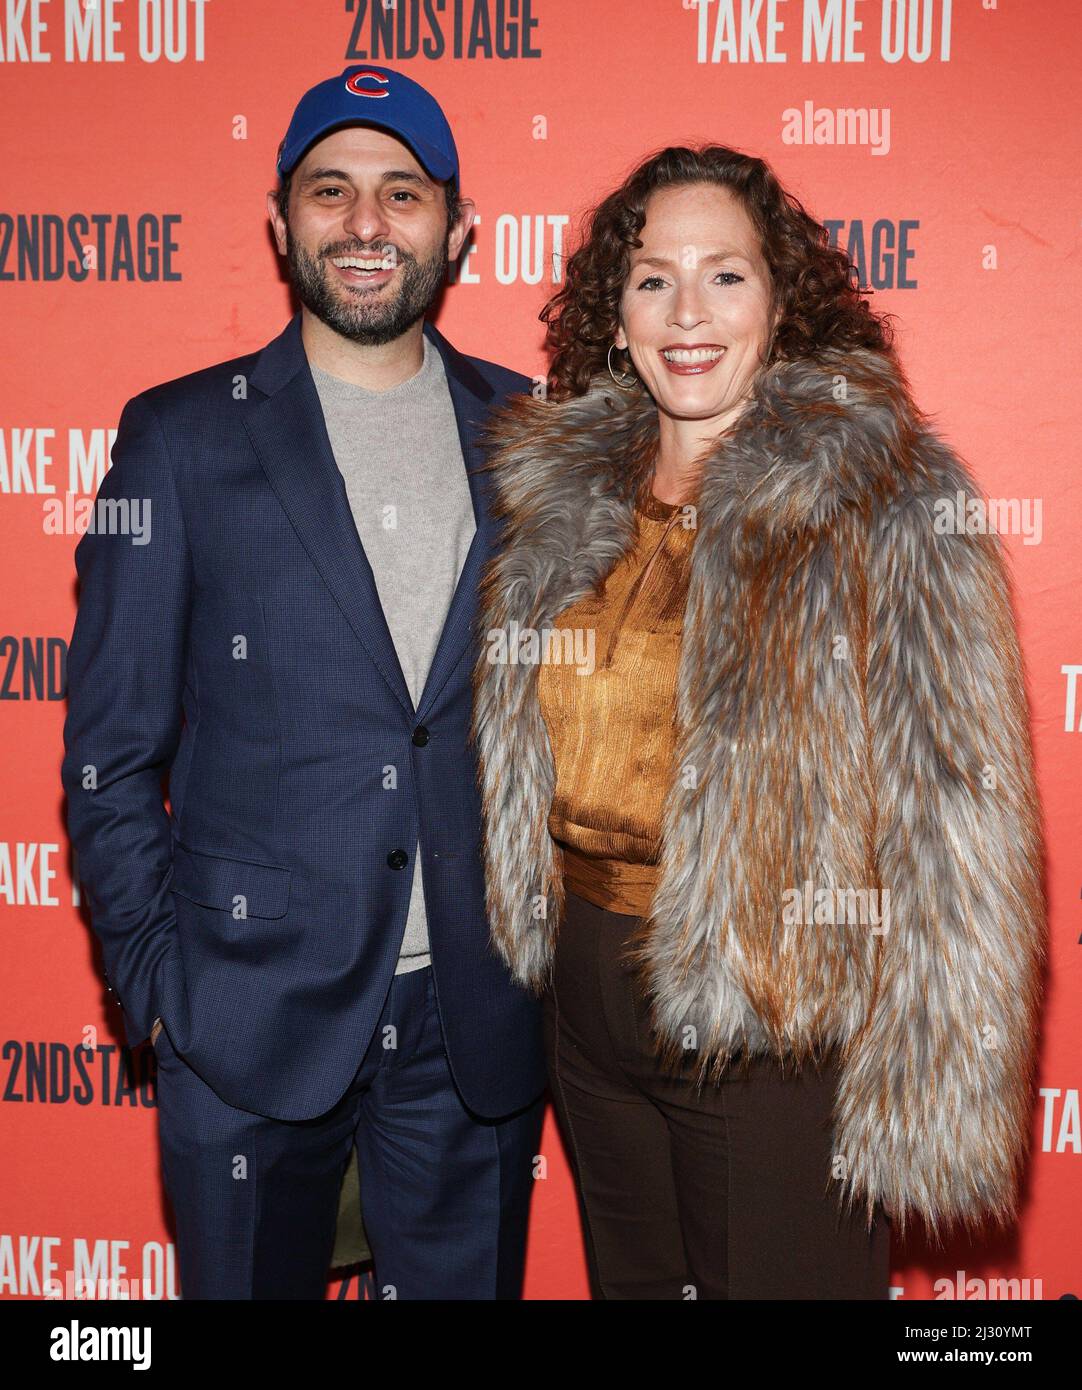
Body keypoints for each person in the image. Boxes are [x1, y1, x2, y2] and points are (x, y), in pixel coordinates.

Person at [471, 144, 1045, 1299]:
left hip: (775, 1018)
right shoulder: (556, 504)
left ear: (779, 303)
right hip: (582, 997)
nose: (687, 311)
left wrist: (933, 1086)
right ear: (615, 313)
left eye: (723, 275)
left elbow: (961, 816)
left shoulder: (889, 496)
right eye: (651, 278)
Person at [61, 64, 545, 1300]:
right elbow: (111, 754)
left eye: (403, 192)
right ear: (281, 223)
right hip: (247, 1017)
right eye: (331, 191)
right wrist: (163, 991)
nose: (368, 224)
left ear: (458, 225)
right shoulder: (179, 435)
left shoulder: (533, 432)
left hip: (471, 1031)